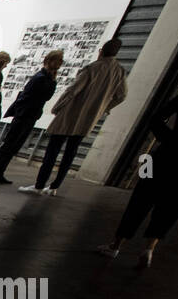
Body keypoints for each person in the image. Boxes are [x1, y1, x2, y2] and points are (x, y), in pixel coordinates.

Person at [98, 86, 178, 269]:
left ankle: (116, 245)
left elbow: (156, 117)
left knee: (141, 199)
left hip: (166, 155)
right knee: (172, 206)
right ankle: (149, 249)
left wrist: (169, 139)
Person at [21, 38, 128, 196]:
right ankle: (54, 187)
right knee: (70, 153)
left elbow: (73, 90)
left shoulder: (92, 68)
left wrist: (58, 107)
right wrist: (104, 108)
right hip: (89, 119)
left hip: (71, 115)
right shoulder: (119, 71)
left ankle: (39, 185)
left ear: (102, 51)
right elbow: (121, 96)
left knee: (52, 151)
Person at [0, 50, 63, 186]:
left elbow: (44, 97)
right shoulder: (41, 78)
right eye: (58, 61)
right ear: (50, 61)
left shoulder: (46, 78)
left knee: (13, 147)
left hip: (29, 116)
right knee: (8, 146)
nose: (60, 64)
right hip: (24, 116)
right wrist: (21, 114)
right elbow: (29, 97)